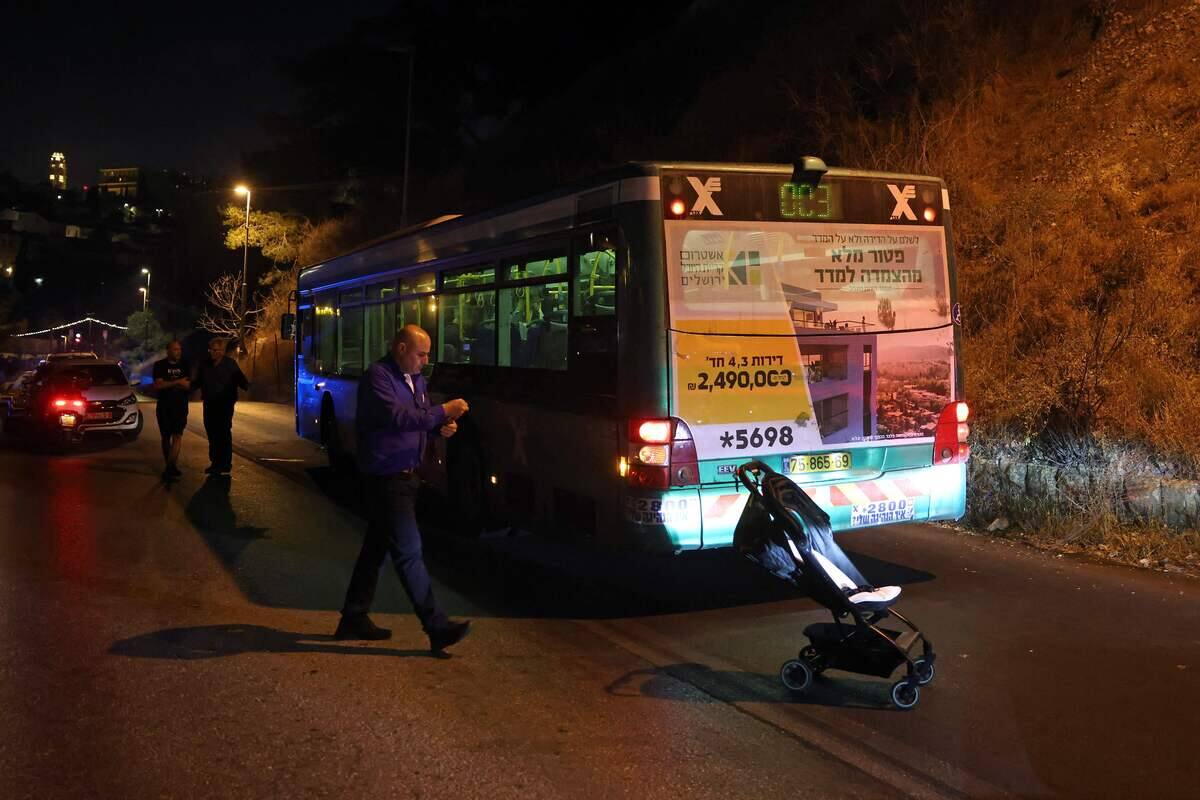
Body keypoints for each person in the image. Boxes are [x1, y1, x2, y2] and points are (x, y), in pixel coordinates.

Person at [336, 324, 472, 653]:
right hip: (386, 477)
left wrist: (439, 429)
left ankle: (353, 616)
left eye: (427, 354)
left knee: (376, 548)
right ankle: (436, 626)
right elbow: (399, 418)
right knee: (409, 552)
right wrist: (443, 411)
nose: (425, 361)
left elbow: (419, 419)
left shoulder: (417, 380)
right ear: (400, 348)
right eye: (420, 353)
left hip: (407, 476)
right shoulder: (377, 377)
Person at [192, 338, 249, 475]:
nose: (212, 353)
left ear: (222, 351)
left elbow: (241, 380)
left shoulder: (230, 365)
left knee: (223, 432)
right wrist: (185, 387)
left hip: (225, 404)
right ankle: (215, 462)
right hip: (209, 403)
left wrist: (250, 386)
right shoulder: (205, 365)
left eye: (215, 350)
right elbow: (198, 382)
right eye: (211, 350)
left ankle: (225, 463)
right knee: (211, 432)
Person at [152, 340, 191, 479]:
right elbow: (158, 386)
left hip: (180, 406)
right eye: (175, 349)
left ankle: (170, 467)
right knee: (165, 436)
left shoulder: (185, 365)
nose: (178, 352)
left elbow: (188, 385)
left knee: (178, 435)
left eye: (179, 349)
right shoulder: (159, 365)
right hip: (164, 406)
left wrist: (168, 384)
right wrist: (177, 382)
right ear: (168, 351)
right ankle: (171, 466)